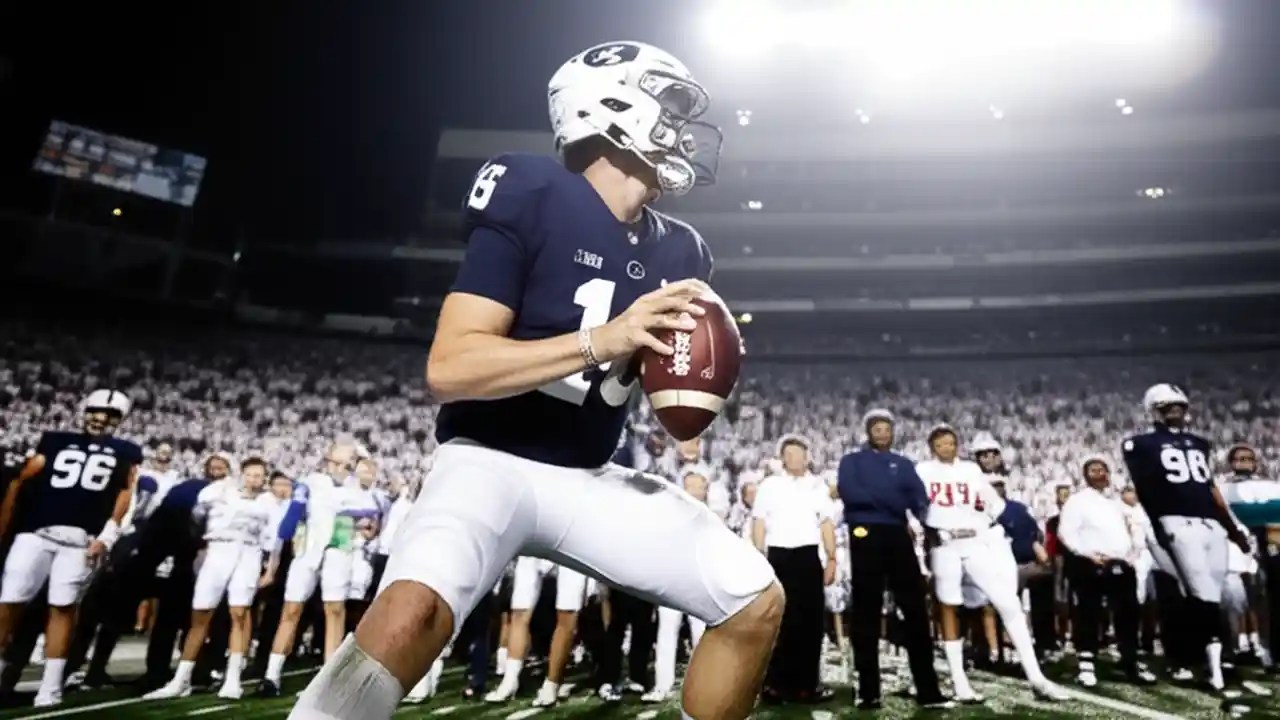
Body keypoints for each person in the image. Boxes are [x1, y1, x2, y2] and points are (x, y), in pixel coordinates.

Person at [291, 40, 782, 720]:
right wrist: (602, 340)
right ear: (611, 108)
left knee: (753, 600)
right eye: (668, 106)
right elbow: (451, 367)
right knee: (410, 616)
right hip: (487, 461)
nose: (682, 128)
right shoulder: (532, 188)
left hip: (587, 475)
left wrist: (703, 371)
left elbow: (663, 393)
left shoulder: (684, 250)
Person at [0, 390, 140, 708]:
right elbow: (21, 481)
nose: (100, 418)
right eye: (95, 411)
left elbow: (125, 493)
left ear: (119, 420)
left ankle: (50, 687)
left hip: (80, 539)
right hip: (37, 532)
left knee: (63, 609)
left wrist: (107, 536)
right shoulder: (54, 441)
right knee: (9, 604)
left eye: (109, 415)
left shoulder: (125, 451)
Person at [917, 424, 1068, 703]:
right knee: (949, 607)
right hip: (945, 545)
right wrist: (926, 530)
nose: (946, 448)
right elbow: (914, 504)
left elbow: (996, 506)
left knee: (1008, 603)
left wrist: (1000, 528)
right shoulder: (923, 471)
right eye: (940, 444)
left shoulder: (970, 471)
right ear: (932, 448)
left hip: (976, 541)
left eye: (950, 442)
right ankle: (959, 681)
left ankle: (1036, 677)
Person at [1123, 383, 1252, 693]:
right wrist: (1159, 525)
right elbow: (1145, 488)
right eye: (1167, 407)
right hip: (1176, 520)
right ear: (1154, 410)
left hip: (1209, 522)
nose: (1175, 411)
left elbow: (1210, 488)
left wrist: (1232, 528)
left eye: (1178, 406)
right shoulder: (1139, 444)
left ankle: (1215, 662)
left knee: (1215, 594)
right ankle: (1212, 668)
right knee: (1200, 594)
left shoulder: (1199, 443)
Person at [837, 408, 951, 710]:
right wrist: (895, 502)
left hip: (898, 534)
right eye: (877, 428)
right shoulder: (851, 461)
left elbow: (920, 499)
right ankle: (868, 691)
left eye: (887, 428)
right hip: (864, 533)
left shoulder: (903, 464)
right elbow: (852, 494)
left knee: (914, 609)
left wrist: (898, 507)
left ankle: (928, 690)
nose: (883, 433)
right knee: (866, 612)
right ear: (868, 431)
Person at [144, 457, 275, 700]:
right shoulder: (216, 491)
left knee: (239, 613)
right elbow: (196, 519)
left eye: (258, 475)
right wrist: (201, 545)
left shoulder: (268, 502)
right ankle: (180, 679)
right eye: (250, 474)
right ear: (241, 474)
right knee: (201, 614)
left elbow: (272, 539)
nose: (253, 480)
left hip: (249, 552)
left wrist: (270, 570)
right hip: (217, 550)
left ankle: (233, 679)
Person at [259, 442, 368, 696]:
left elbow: (368, 521)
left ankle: (329, 679)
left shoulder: (357, 489)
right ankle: (271, 675)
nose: (340, 467)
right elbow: (288, 524)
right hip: (307, 551)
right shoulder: (311, 482)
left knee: (335, 610)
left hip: (339, 550)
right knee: (291, 609)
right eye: (336, 462)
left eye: (346, 463)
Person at [1057, 457, 1157, 687]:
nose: (1100, 474)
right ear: (1085, 475)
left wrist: (1132, 555)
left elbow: (1132, 529)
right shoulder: (1078, 501)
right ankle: (1086, 664)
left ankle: (1130, 661)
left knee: (1128, 614)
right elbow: (1067, 532)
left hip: (1121, 563)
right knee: (1089, 614)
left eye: (1103, 470)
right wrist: (1086, 554)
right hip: (1092, 563)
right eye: (1094, 470)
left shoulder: (1115, 502)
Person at [752, 435, 836, 704]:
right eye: (788, 454)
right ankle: (774, 685)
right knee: (779, 621)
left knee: (811, 622)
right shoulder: (770, 485)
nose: (794, 459)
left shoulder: (818, 486)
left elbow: (826, 523)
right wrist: (759, 557)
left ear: (807, 456)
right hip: (777, 556)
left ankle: (806, 686)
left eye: (798, 453)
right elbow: (759, 522)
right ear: (782, 458)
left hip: (808, 556)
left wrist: (832, 558)